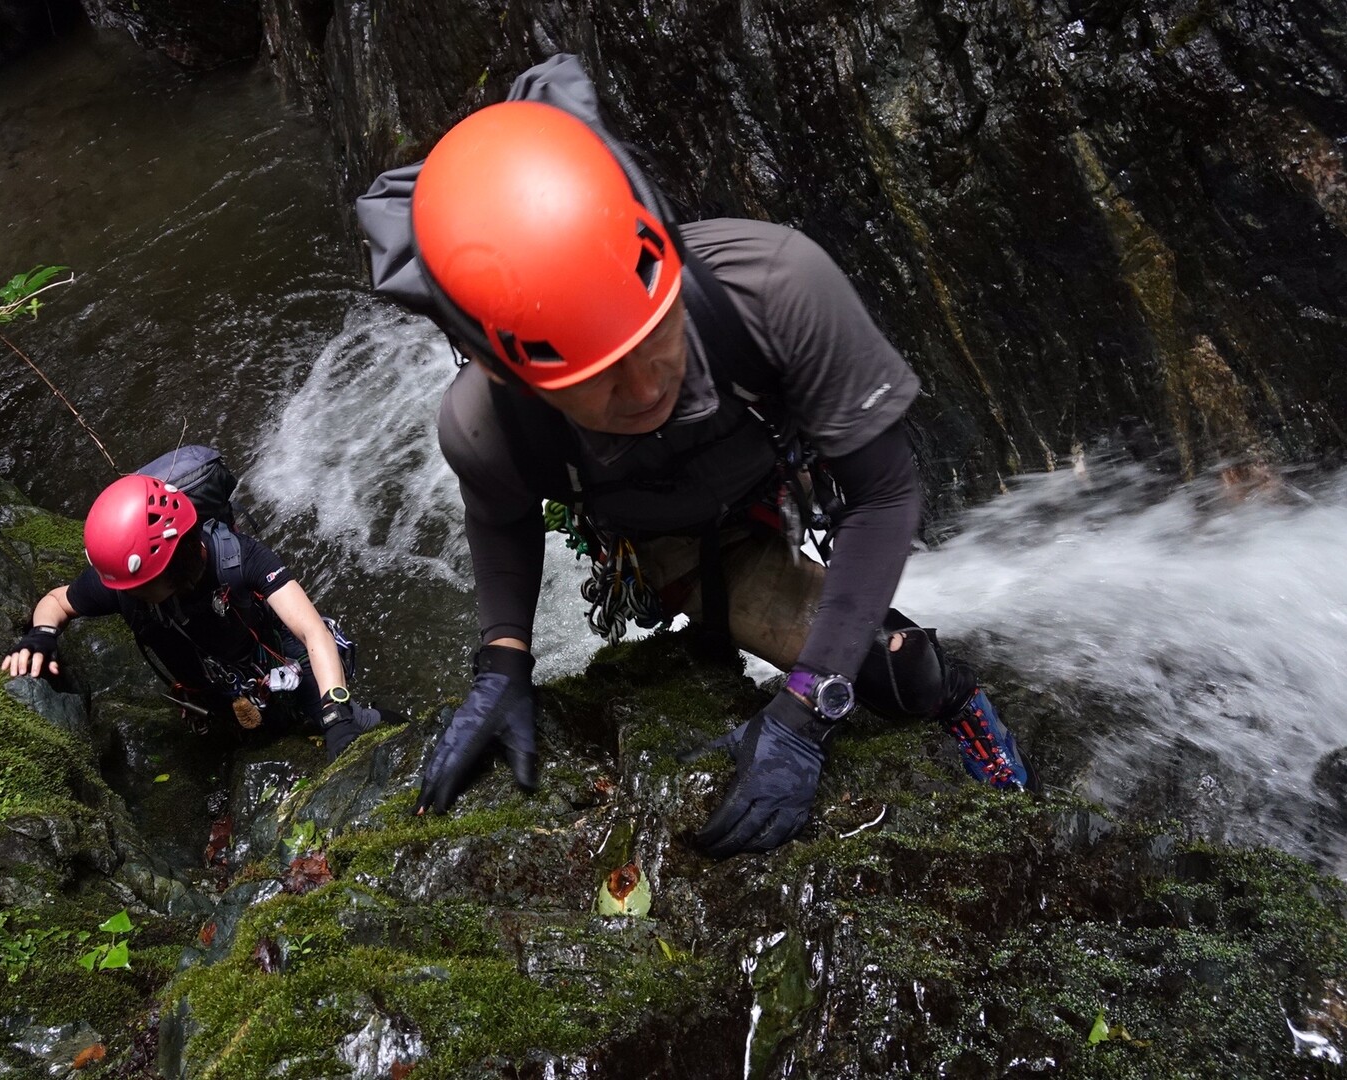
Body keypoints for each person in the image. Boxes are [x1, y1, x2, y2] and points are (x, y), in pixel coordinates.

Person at [356, 56, 1033, 857]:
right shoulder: (487, 425)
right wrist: (502, 661)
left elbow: (883, 495)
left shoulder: (778, 287)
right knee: (757, 635)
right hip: (660, 538)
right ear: (513, 375)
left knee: (899, 674)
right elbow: (502, 518)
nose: (647, 389)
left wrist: (804, 711)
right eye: (600, 379)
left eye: (657, 339)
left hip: (772, 472)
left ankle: (962, 706)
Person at [1, 472, 394, 762]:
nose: (125, 594)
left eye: (138, 586)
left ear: (172, 564)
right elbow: (58, 601)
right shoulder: (124, 580)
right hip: (216, 687)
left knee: (347, 722)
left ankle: (401, 725)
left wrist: (336, 711)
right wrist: (42, 634)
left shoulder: (239, 558)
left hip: (274, 660)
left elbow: (312, 631)